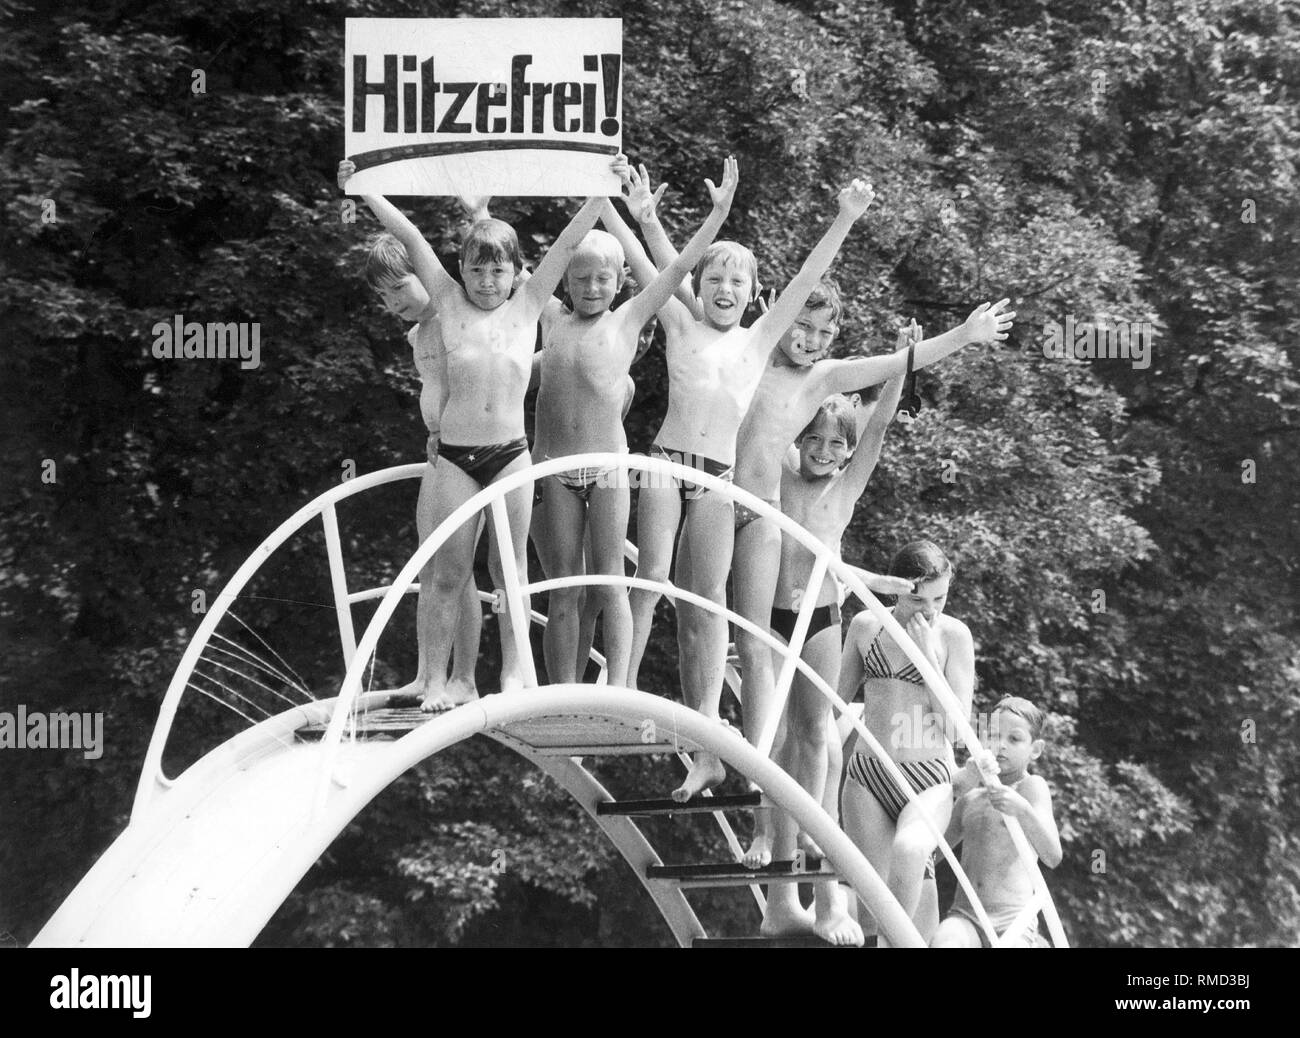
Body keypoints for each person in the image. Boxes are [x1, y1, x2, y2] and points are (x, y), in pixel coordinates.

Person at [607, 161, 878, 801]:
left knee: (707, 608)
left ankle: (711, 747)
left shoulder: (761, 338)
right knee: (650, 581)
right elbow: (659, 266)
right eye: (714, 278)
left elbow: (809, 277)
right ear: (699, 285)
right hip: (669, 463)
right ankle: (618, 687)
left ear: (754, 293)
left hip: (723, 483)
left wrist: (843, 217)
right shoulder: (678, 319)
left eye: (737, 280)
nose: (724, 287)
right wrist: (627, 210)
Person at [338, 158, 607, 709]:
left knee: (510, 574)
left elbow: (570, 238)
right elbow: (409, 236)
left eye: (498, 272)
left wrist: (605, 186)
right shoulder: (446, 302)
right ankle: (435, 680)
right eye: (477, 271)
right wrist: (362, 188)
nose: (487, 282)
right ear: (460, 269)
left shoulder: (529, 306)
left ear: (515, 273)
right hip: (457, 457)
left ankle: (514, 670)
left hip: (510, 454)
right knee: (448, 573)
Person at [531, 158, 739, 688]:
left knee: (610, 584)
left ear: (621, 281)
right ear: (566, 283)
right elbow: (551, 260)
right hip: (554, 466)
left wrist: (717, 217)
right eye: (580, 279)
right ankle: (562, 693)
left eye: (603, 278)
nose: (591, 287)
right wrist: (594, 200)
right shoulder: (551, 317)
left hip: (608, 470)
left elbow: (678, 268)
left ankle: (620, 689)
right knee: (563, 588)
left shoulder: (629, 318)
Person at [753, 368, 918, 943]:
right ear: (799, 440)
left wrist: (903, 365)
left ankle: (823, 893)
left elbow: (877, 432)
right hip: (770, 618)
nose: (825, 451)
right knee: (769, 742)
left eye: (837, 444)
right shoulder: (782, 474)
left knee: (814, 738)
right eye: (815, 439)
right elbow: (767, 415)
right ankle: (775, 871)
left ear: (849, 453)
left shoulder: (844, 488)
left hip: (820, 620)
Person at [346, 190, 494, 706]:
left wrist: (482, 215)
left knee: (457, 569)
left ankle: (461, 678)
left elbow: (498, 267)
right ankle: (428, 672)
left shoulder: (460, 308)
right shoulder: (416, 335)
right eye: (384, 297)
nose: (395, 302)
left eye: (400, 286)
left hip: (476, 453)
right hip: (440, 452)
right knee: (433, 566)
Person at [836, 539, 974, 943]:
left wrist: (928, 659)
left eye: (940, 598)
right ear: (896, 590)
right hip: (868, 776)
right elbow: (833, 700)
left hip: (929, 777)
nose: (930, 610)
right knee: (872, 912)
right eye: (919, 600)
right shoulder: (867, 625)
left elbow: (955, 729)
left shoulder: (954, 636)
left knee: (912, 851)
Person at [931, 696, 1062, 947]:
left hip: (1013, 919)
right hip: (966, 916)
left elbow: (1053, 856)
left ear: (1035, 749)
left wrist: (1022, 810)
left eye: (1014, 739)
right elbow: (934, 854)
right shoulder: (970, 798)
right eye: (993, 735)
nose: (1000, 745)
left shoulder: (1030, 788)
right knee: (943, 942)